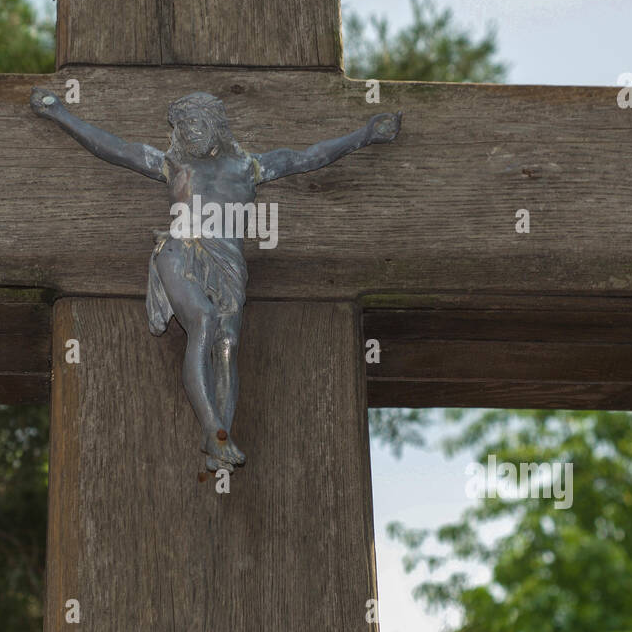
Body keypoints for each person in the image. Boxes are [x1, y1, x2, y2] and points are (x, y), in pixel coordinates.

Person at [31, 86, 401, 472]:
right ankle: (211, 429)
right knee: (203, 321)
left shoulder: (249, 167)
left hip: (228, 261)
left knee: (227, 344)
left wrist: (367, 134)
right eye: (181, 126)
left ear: (214, 125)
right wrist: (60, 113)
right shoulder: (173, 166)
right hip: (180, 250)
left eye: (194, 122)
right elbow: (112, 147)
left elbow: (310, 156)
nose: (188, 132)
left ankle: (221, 437)